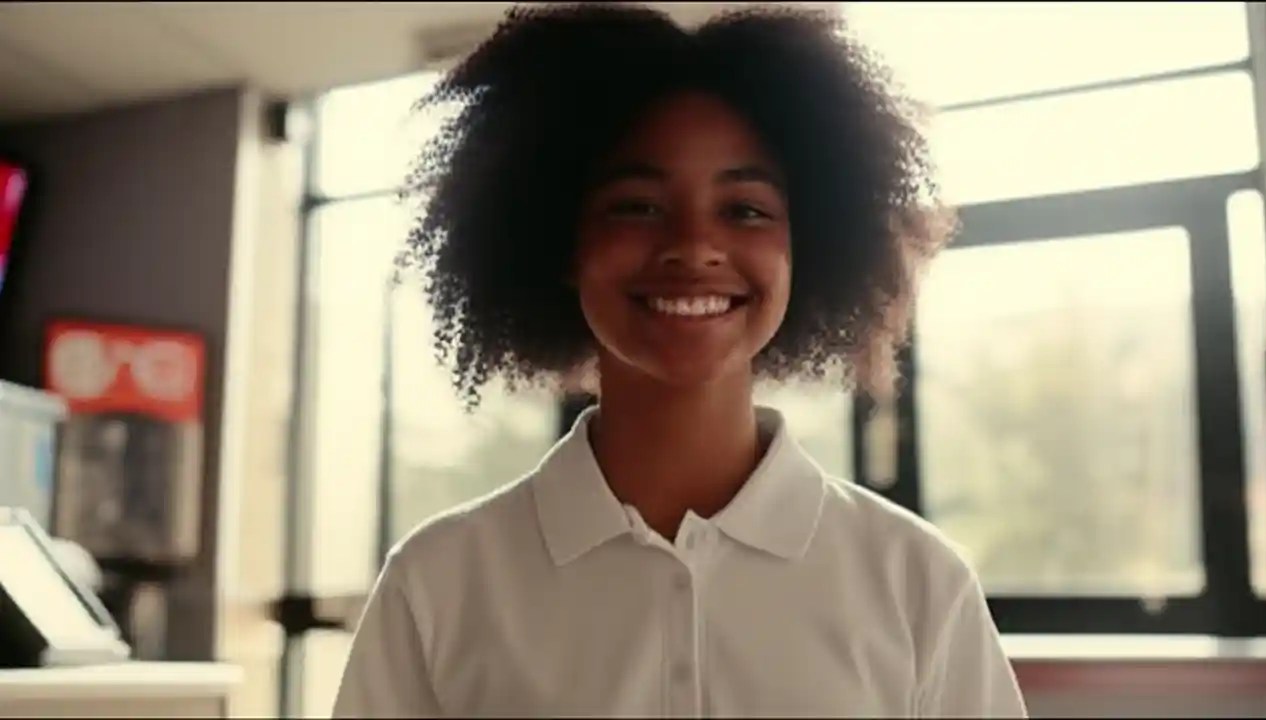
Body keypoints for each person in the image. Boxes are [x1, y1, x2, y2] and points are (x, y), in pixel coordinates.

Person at [333, 3, 1027, 718]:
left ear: (808, 247)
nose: (694, 246)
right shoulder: (438, 583)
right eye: (636, 206)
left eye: (746, 209)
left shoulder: (917, 582)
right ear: (559, 245)